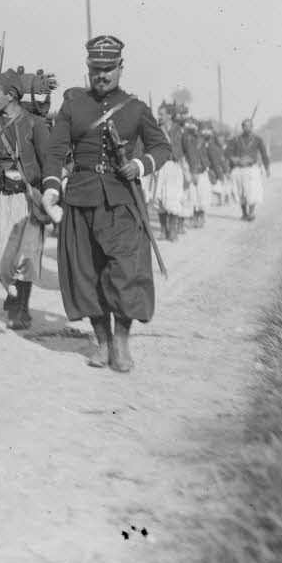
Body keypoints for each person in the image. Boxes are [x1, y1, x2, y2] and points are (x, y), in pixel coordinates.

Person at [40, 35, 171, 373]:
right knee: (87, 274)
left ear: (120, 67)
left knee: (125, 273)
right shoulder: (73, 107)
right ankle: (103, 342)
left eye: (109, 69)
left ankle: (123, 344)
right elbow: (55, 152)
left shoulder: (136, 108)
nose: (102, 75)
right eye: (96, 69)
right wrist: (52, 187)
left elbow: (162, 147)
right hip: (81, 199)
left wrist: (140, 165)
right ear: (88, 68)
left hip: (122, 202)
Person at [0, 69, 50, 331]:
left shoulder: (35, 124)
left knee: (26, 255)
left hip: (25, 199)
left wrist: (40, 190)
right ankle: (11, 298)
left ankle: (20, 307)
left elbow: (48, 164)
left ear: (11, 96)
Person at [151, 103, 190, 241]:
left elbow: (187, 149)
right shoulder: (155, 130)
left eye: (161, 114)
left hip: (175, 167)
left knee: (173, 199)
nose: (159, 117)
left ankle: (172, 230)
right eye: (158, 114)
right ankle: (163, 230)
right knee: (159, 198)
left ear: (169, 115)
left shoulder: (179, 130)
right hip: (160, 167)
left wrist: (191, 169)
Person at [226, 118, 271, 221]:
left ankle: (251, 212)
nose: (247, 128)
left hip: (251, 169)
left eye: (249, 126)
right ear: (242, 127)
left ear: (252, 127)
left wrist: (267, 167)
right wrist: (236, 160)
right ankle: (244, 213)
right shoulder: (235, 140)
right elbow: (227, 153)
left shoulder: (258, 140)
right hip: (239, 169)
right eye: (245, 126)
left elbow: (264, 154)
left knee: (252, 191)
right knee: (241, 192)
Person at [182, 117, 211, 229]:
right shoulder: (187, 138)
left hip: (202, 171)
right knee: (192, 196)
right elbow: (190, 155)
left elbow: (205, 156)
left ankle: (201, 217)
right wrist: (193, 171)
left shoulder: (202, 139)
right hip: (192, 171)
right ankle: (193, 217)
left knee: (202, 196)